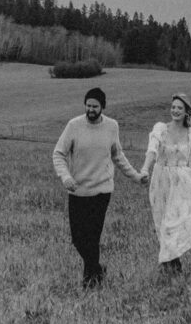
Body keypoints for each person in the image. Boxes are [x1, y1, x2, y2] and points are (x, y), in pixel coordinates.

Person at [51, 86, 140, 288]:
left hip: (102, 190)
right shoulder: (73, 125)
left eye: (95, 106)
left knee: (92, 237)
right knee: (77, 239)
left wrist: (135, 175)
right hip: (77, 190)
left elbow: (118, 155)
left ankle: (90, 281)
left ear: (103, 107)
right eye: (88, 105)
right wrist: (65, 177)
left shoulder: (112, 126)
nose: (91, 109)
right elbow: (58, 154)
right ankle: (98, 268)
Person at [137, 92, 191, 272]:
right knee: (162, 223)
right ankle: (171, 263)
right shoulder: (161, 129)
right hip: (161, 180)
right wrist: (145, 169)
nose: (175, 111)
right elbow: (152, 151)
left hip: (182, 182)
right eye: (173, 107)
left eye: (179, 108)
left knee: (175, 222)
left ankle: (170, 263)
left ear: (187, 112)